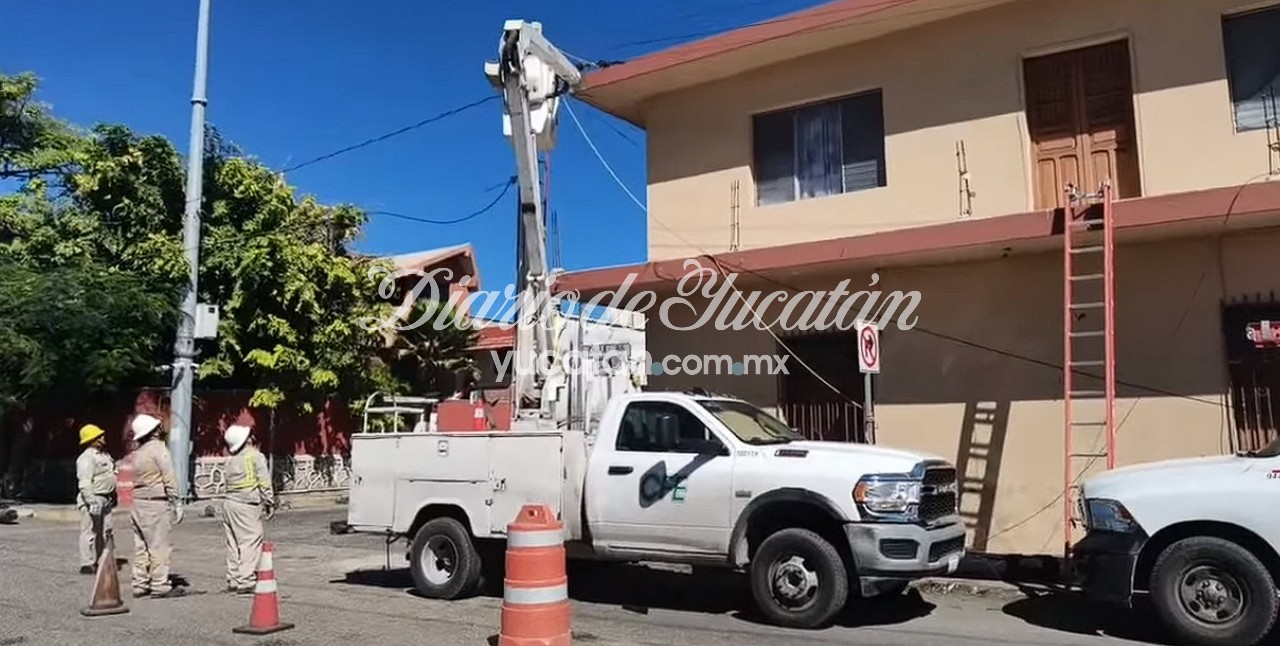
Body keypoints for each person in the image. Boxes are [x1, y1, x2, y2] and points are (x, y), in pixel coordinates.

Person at [128, 413, 186, 598]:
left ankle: (140, 583)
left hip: (137, 502)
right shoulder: (158, 449)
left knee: (141, 546)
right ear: (154, 431)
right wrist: (176, 501)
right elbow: (168, 476)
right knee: (158, 546)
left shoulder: (135, 454)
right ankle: (160, 584)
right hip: (155, 504)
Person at [220, 423, 273, 594]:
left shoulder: (230, 459)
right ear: (247, 439)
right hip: (246, 504)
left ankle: (234, 578)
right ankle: (245, 580)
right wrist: (269, 501)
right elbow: (264, 481)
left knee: (233, 543)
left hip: (229, 503)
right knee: (250, 540)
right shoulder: (255, 456)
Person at [75, 424, 117, 574]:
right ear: (91, 440)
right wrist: (91, 501)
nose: (102, 437)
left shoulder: (104, 455)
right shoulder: (86, 458)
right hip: (94, 498)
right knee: (90, 531)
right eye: (99, 436)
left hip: (106, 499)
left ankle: (101, 560)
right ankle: (87, 563)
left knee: (106, 531)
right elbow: (85, 482)